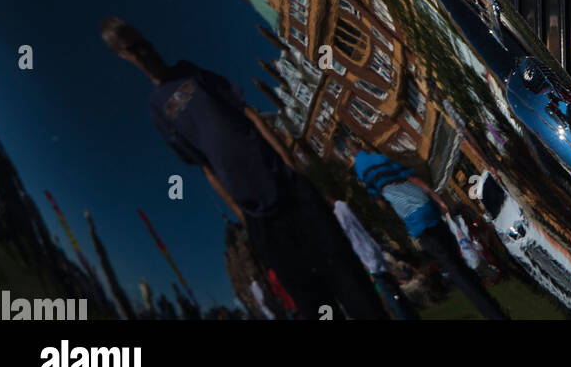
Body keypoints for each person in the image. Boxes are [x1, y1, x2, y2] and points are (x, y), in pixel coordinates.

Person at [100, 18, 384, 320]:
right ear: (122, 55)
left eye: (145, 43)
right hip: (258, 214)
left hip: (288, 185)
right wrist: (240, 213)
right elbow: (205, 167)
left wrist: (290, 164)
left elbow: (249, 113)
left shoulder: (190, 72)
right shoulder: (158, 110)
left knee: (344, 271)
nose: (145, 52)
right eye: (133, 49)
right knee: (308, 296)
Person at [353, 149, 507, 320]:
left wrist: (385, 196)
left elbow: (381, 203)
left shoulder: (367, 177)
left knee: (453, 267)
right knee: (457, 260)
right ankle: (490, 302)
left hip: (415, 221)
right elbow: (413, 178)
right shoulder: (382, 159)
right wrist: (438, 199)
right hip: (427, 207)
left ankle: (490, 310)